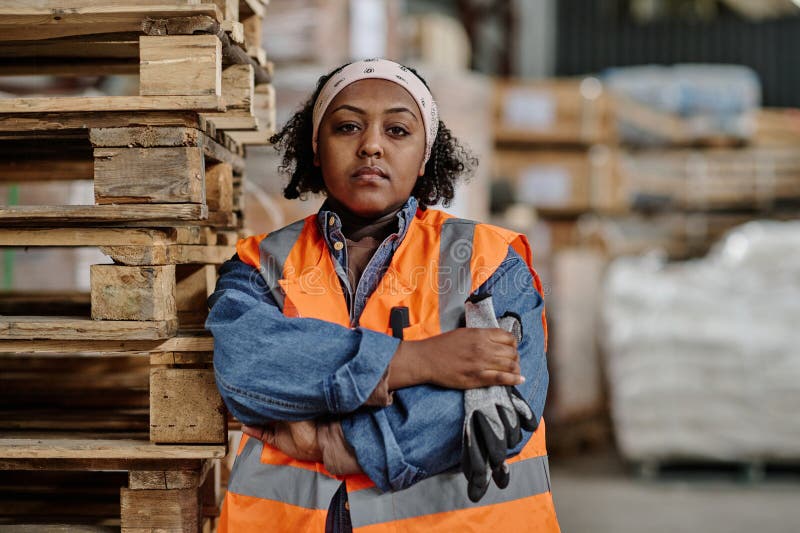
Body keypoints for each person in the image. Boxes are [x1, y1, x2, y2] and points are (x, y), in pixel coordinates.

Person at [206, 58, 560, 532]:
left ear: (424, 155)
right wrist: (418, 362)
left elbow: (508, 404)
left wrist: (331, 444)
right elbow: (246, 369)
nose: (371, 145)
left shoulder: (489, 261)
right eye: (348, 126)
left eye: (397, 131)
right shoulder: (261, 265)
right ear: (316, 147)